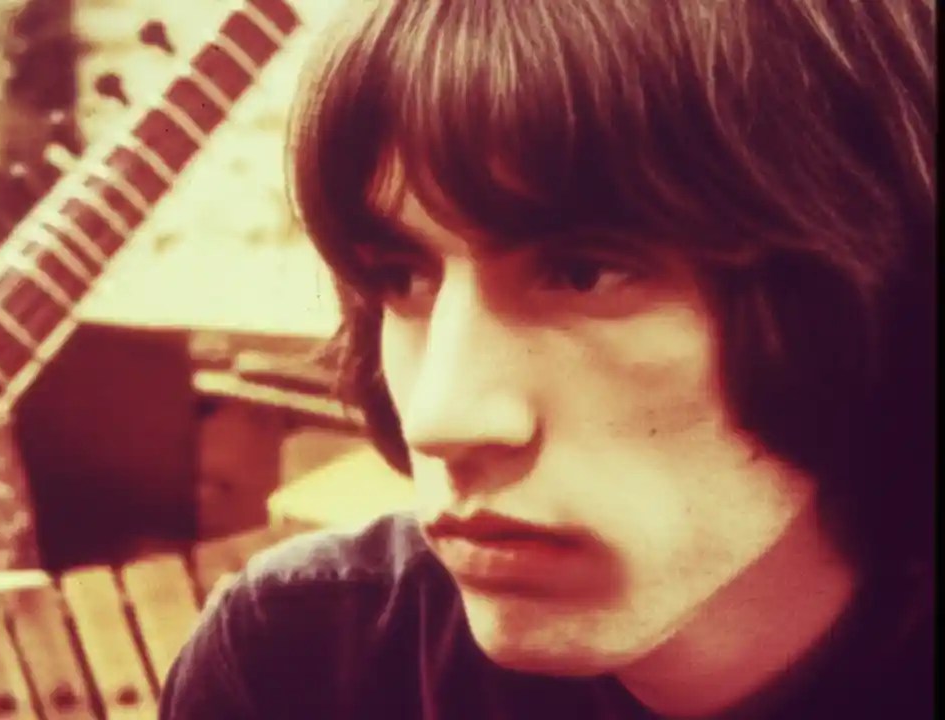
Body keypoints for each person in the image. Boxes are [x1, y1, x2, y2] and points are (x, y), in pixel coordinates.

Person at [161, 0, 936, 717]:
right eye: (401, 279)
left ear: (879, 287)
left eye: (583, 271)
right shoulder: (301, 669)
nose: (440, 416)